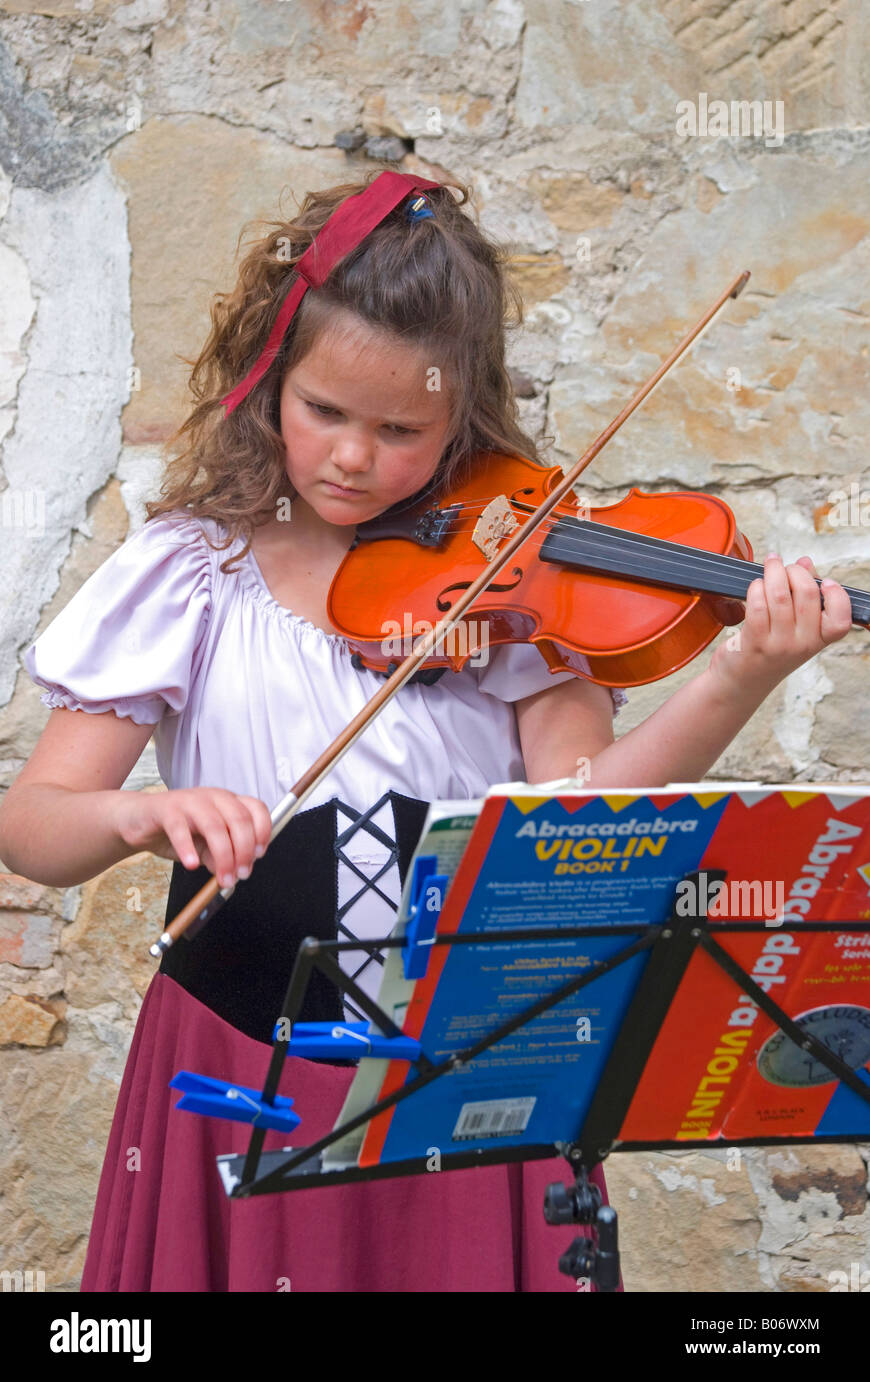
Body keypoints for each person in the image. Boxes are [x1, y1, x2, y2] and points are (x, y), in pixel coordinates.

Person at [0, 169, 853, 1293]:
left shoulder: (514, 587)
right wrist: (138, 812)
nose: (354, 456)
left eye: (402, 429)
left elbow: (587, 812)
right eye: (325, 413)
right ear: (269, 383)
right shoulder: (194, 572)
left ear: (464, 416)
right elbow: (33, 828)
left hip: (465, 1077)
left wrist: (741, 671)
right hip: (240, 1053)